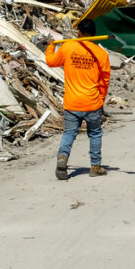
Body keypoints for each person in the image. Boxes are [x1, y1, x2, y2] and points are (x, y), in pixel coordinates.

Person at [45, 19, 111, 180]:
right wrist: (101, 101)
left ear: (79, 33)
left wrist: (51, 46)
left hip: (72, 102)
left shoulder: (68, 47)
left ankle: (62, 158)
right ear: (94, 34)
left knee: (69, 133)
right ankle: (95, 166)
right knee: (95, 134)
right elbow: (105, 81)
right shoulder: (101, 54)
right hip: (92, 102)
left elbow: (51, 61)